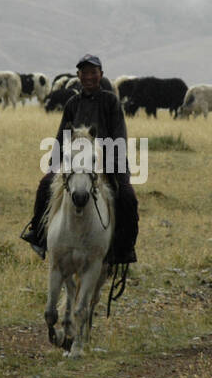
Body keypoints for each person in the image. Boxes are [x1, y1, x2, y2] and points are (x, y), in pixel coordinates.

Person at [20, 54, 139, 264]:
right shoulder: (72, 104)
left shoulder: (111, 102)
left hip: (107, 162)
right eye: (85, 73)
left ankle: (124, 248)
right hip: (75, 165)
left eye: (93, 72)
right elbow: (62, 137)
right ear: (79, 76)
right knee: (45, 184)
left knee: (127, 197)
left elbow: (119, 137)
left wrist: (111, 164)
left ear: (100, 75)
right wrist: (54, 165)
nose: (89, 77)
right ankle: (38, 235)